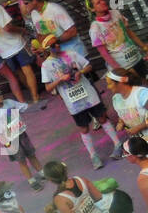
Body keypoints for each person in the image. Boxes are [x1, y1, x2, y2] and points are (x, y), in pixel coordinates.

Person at [34, 40, 118, 169]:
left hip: (89, 94)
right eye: (53, 45)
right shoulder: (46, 66)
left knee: (102, 118)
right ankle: (93, 156)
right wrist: (60, 79)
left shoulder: (71, 54)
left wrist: (80, 72)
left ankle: (117, 144)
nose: (58, 45)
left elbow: (88, 65)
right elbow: (48, 88)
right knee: (84, 128)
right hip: (73, 102)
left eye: (57, 42)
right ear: (48, 49)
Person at [0, 86, 45, 189]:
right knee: (21, 161)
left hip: (22, 134)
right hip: (11, 140)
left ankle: (42, 173)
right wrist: (8, 145)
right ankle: (31, 181)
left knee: (31, 154)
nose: (0, 97)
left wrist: (37, 106)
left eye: (0, 94)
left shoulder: (9, 102)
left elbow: (24, 107)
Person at [88, 0, 148, 83]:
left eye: (102, 0)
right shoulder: (95, 28)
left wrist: (146, 49)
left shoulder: (115, 13)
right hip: (124, 67)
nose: (103, 2)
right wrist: (120, 70)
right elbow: (104, 54)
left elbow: (130, 33)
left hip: (137, 58)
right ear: (93, 9)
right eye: (98, 2)